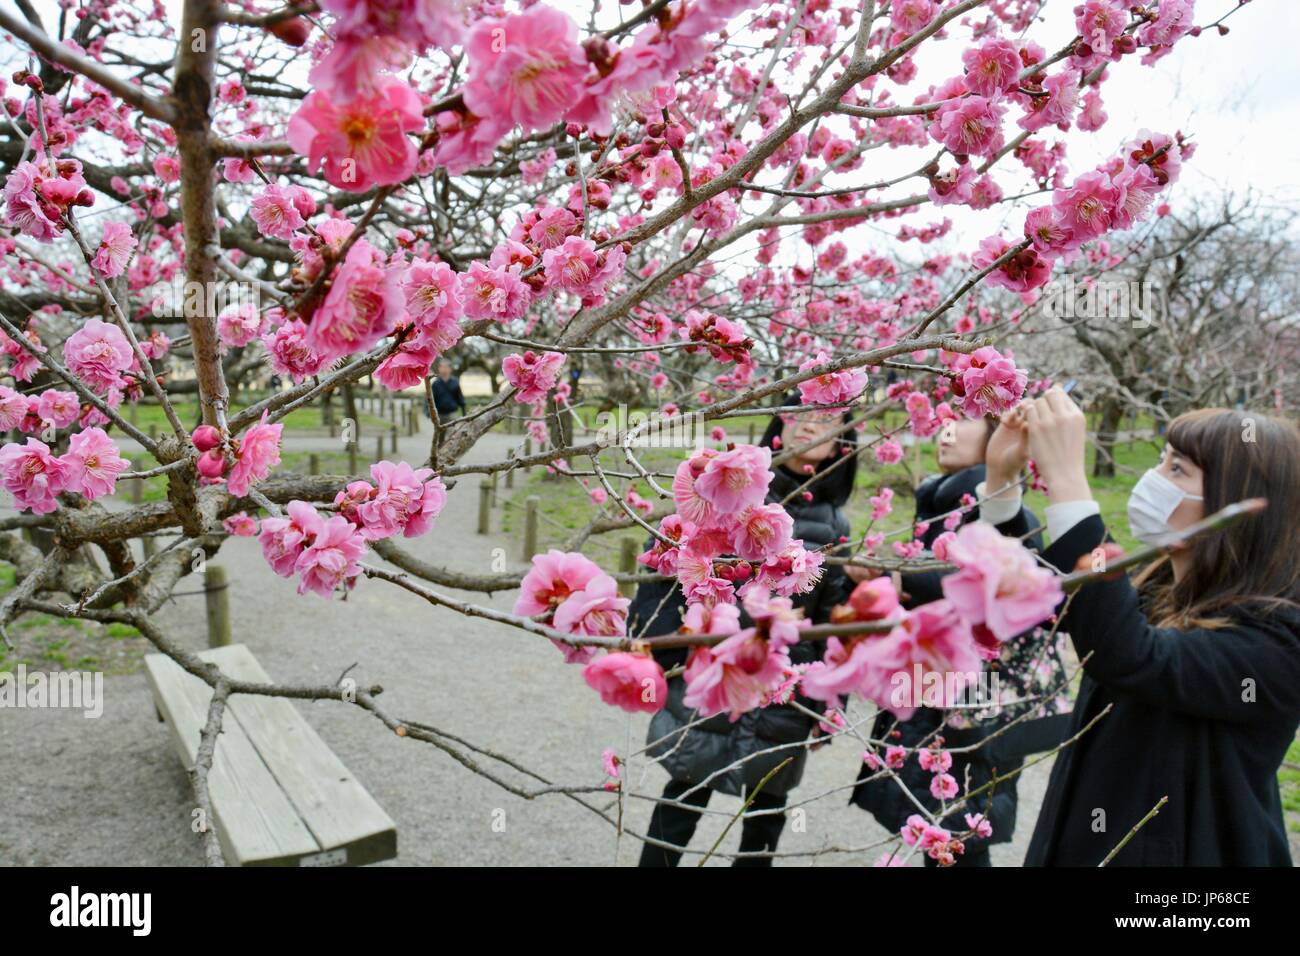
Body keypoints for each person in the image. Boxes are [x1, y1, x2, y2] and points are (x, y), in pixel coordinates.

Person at [1008, 390, 1300, 865]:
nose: (1153, 479)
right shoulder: (1159, 588)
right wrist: (1002, 487)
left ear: (1234, 505)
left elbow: (1127, 653)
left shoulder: (1279, 641)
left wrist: (1067, 482)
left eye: (1177, 470)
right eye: (1162, 461)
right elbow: (1047, 603)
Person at [631, 399, 858, 866]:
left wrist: (823, 704)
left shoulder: (836, 524)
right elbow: (666, 575)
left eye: (827, 419)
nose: (810, 425)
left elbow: (831, 623)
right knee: (681, 798)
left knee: (766, 817)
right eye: (799, 413)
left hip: (778, 690)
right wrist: (674, 653)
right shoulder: (730, 491)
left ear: (842, 443)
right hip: (710, 673)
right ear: (779, 424)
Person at [847, 414, 1070, 867]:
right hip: (931, 683)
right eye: (942, 417)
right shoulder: (936, 505)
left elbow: (996, 587)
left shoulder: (1011, 515)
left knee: (960, 830)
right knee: (934, 825)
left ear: (997, 435)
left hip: (977, 696)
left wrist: (901, 576)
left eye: (963, 418)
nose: (945, 428)